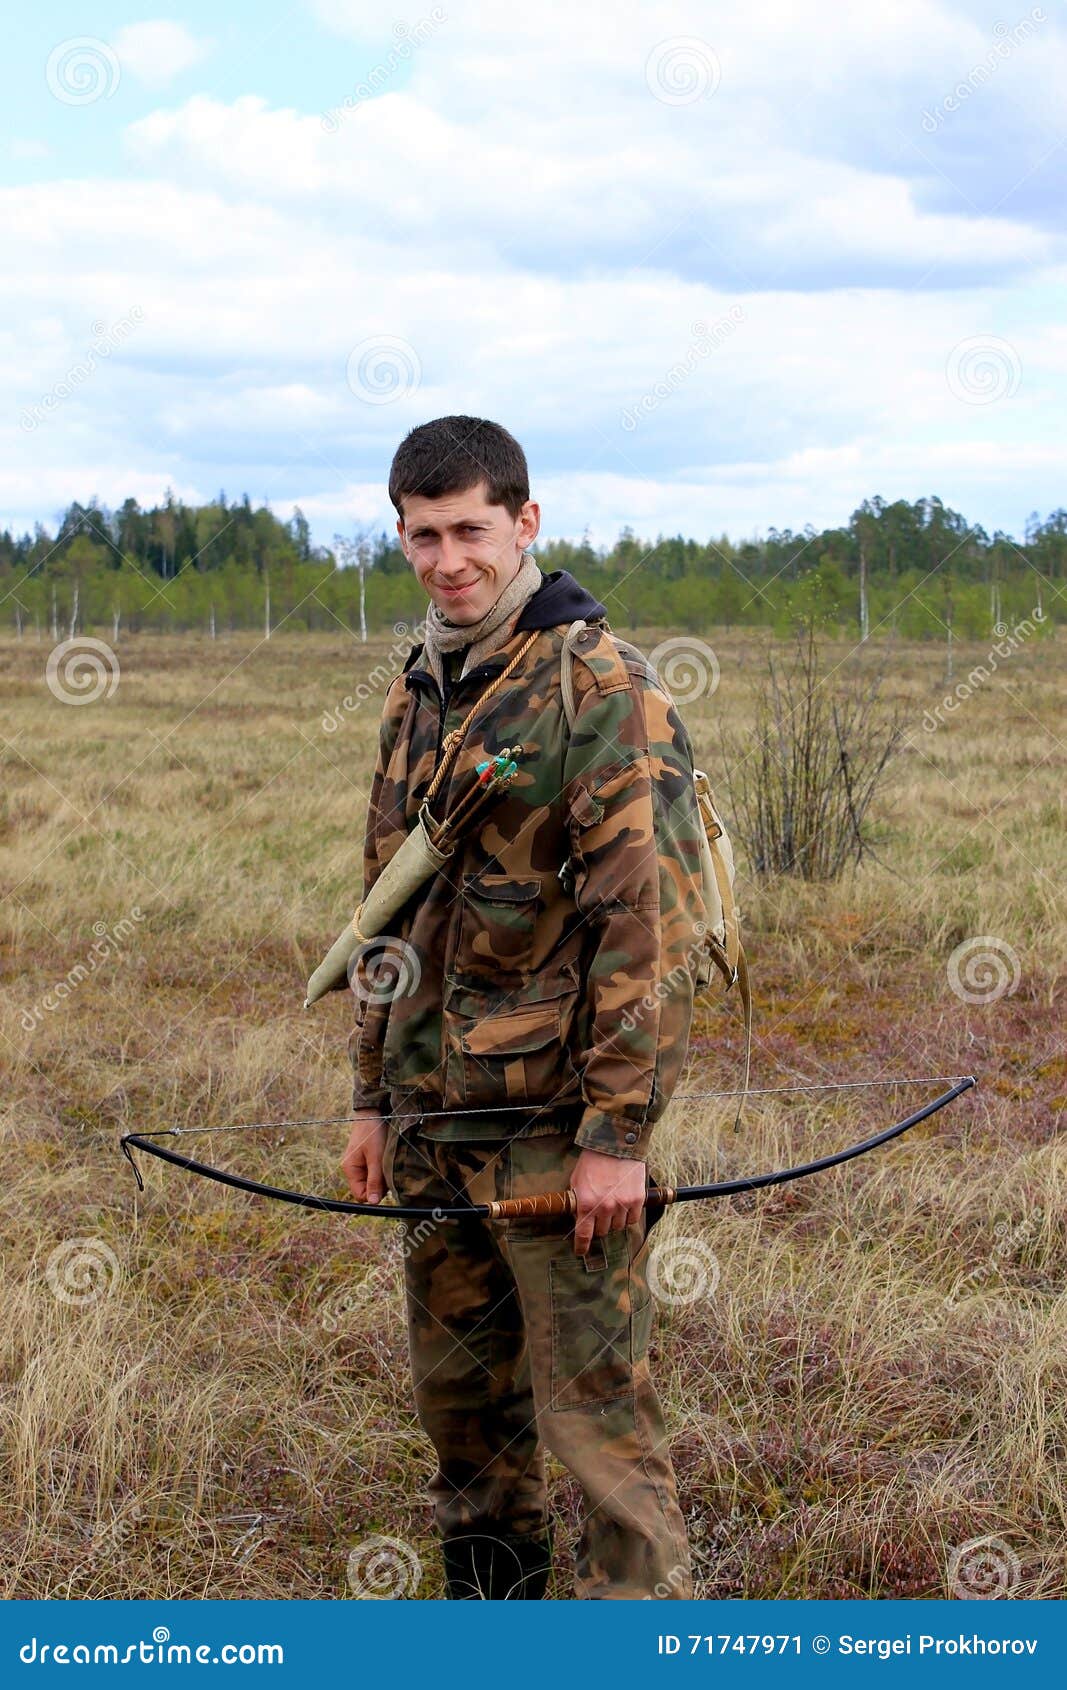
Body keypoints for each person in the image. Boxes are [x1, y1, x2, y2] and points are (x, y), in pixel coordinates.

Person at [340, 415, 705, 1600]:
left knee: (596, 1431)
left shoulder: (598, 689)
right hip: (434, 1126)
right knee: (465, 1425)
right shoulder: (420, 687)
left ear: (525, 523)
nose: (447, 560)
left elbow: (644, 933)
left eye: (469, 530)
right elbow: (383, 920)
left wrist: (614, 1139)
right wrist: (370, 1099)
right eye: (420, 535)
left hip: (555, 1133)